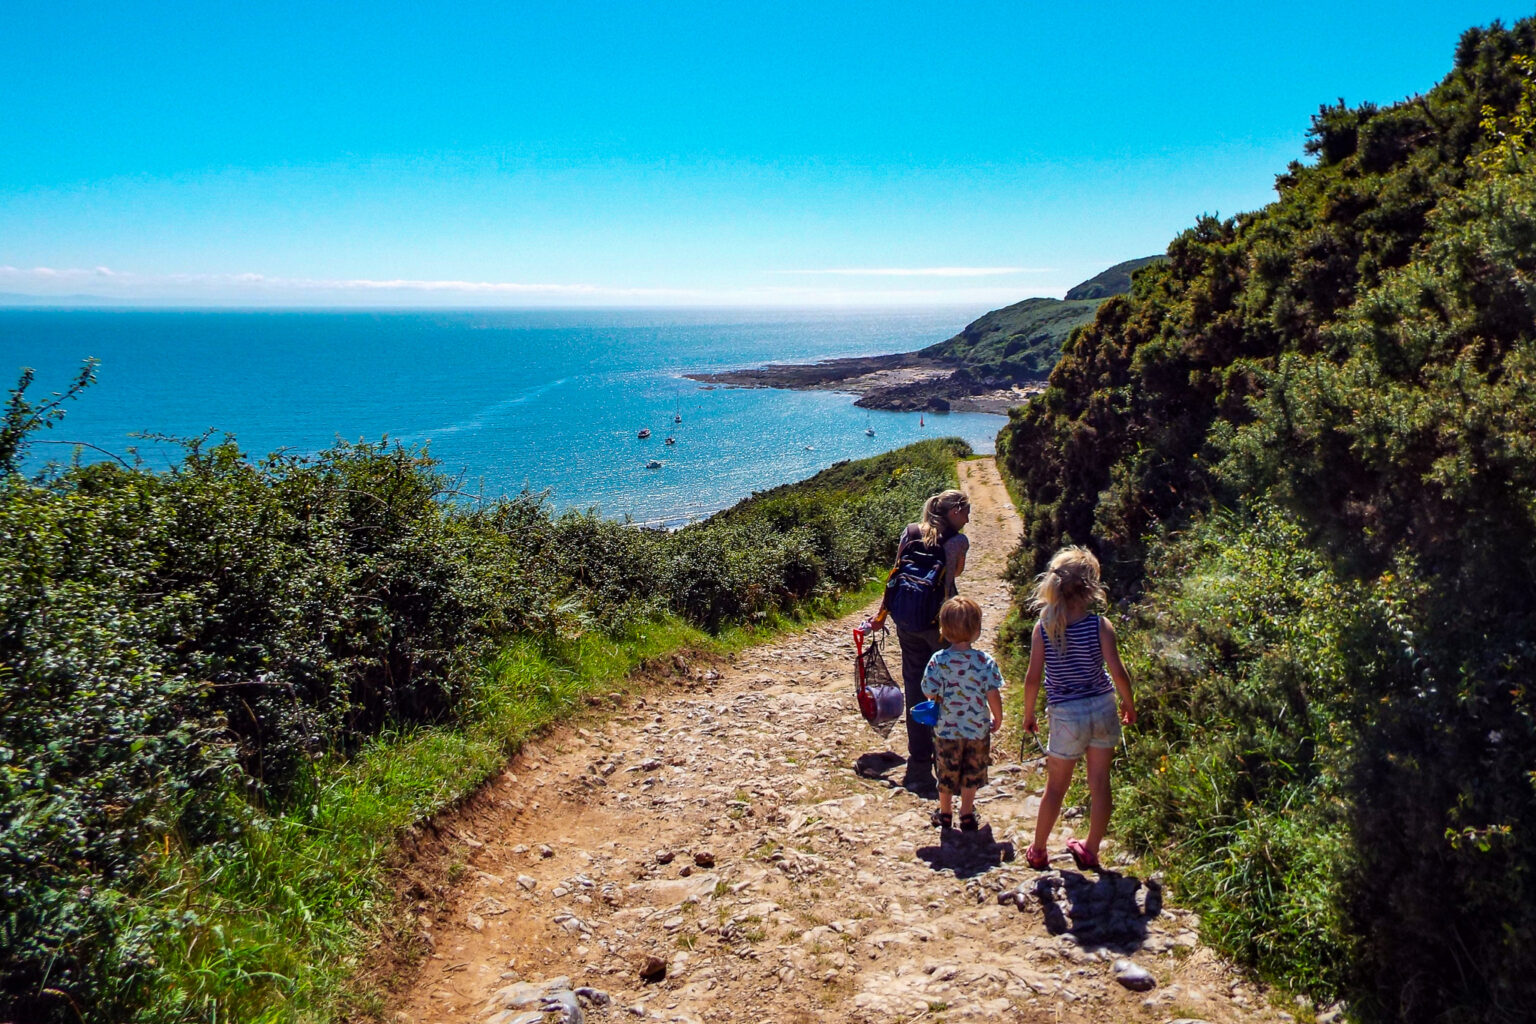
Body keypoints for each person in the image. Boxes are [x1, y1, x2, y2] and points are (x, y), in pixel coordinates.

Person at [1021, 545, 1135, 871]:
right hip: (1102, 707)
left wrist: (1029, 714)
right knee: (1100, 783)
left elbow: (1032, 679)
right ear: (1090, 587)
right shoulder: (1101, 626)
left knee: (1056, 787)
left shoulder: (1043, 628)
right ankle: (1090, 849)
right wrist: (1128, 703)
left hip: (1066, 714)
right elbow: (1117, 671)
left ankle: (1039, 849)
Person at [867, 489, 970, 796]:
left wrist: (882, 614)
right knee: (946, 690)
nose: (968, 518)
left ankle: (918, 765)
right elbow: (956, 575)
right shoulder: (957, 542)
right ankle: (947, 762)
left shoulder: (911, 532)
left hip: (908, 622)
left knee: (915, 689)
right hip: (942, 625)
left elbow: (895, 573)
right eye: (966, 511)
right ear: (953, 513)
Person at [921, 596, 1003, 831]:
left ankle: (945, 813)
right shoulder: (983, 661)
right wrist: (998, 716)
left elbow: (928, 691)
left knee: (946, 771)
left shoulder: (939, 660)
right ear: (977, 630)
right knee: (972, 771)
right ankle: (966, 813)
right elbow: (992, 693)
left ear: (943, 631)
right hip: (977, 729)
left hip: (947, 729)